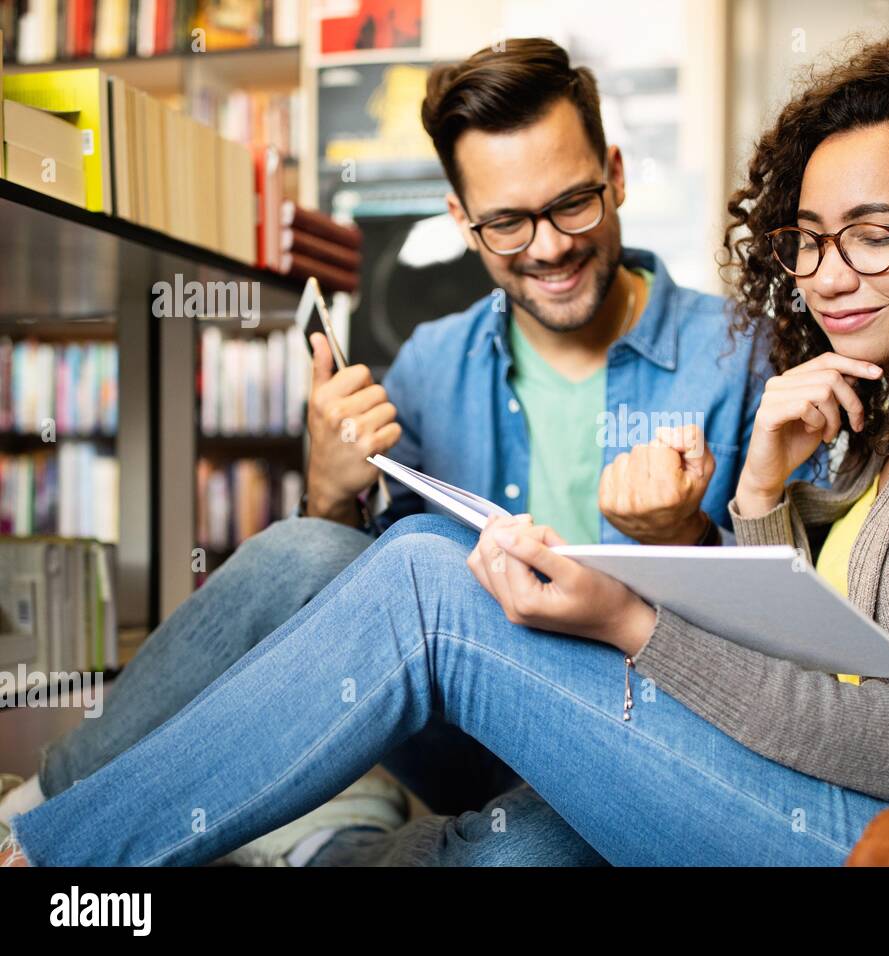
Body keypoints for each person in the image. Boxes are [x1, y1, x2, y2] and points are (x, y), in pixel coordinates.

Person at [3, 33, 889, 868]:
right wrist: (755, 496)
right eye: (807, 242)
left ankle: (70, 865)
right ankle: (66, 827)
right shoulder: (881, 418)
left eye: (874, 235)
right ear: (462, 219)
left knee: (458, 670)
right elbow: (809, 658)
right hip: (737, 765)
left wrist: (635, 604)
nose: (831, 274)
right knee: (335, 553)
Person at [0, 38, 790, 867]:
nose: (550, 247)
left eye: (573, 204)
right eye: (507, 222)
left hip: (634, 742)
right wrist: (329, 490)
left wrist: (685, 537)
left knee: (517, 858)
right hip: (466, 736)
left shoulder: (741, 355)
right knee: (307, 547)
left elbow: (788, 639)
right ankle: (35, 814)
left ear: (617, 174)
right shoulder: (432, 362)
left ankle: (338, 842)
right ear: (460, 220)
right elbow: (366, 615)